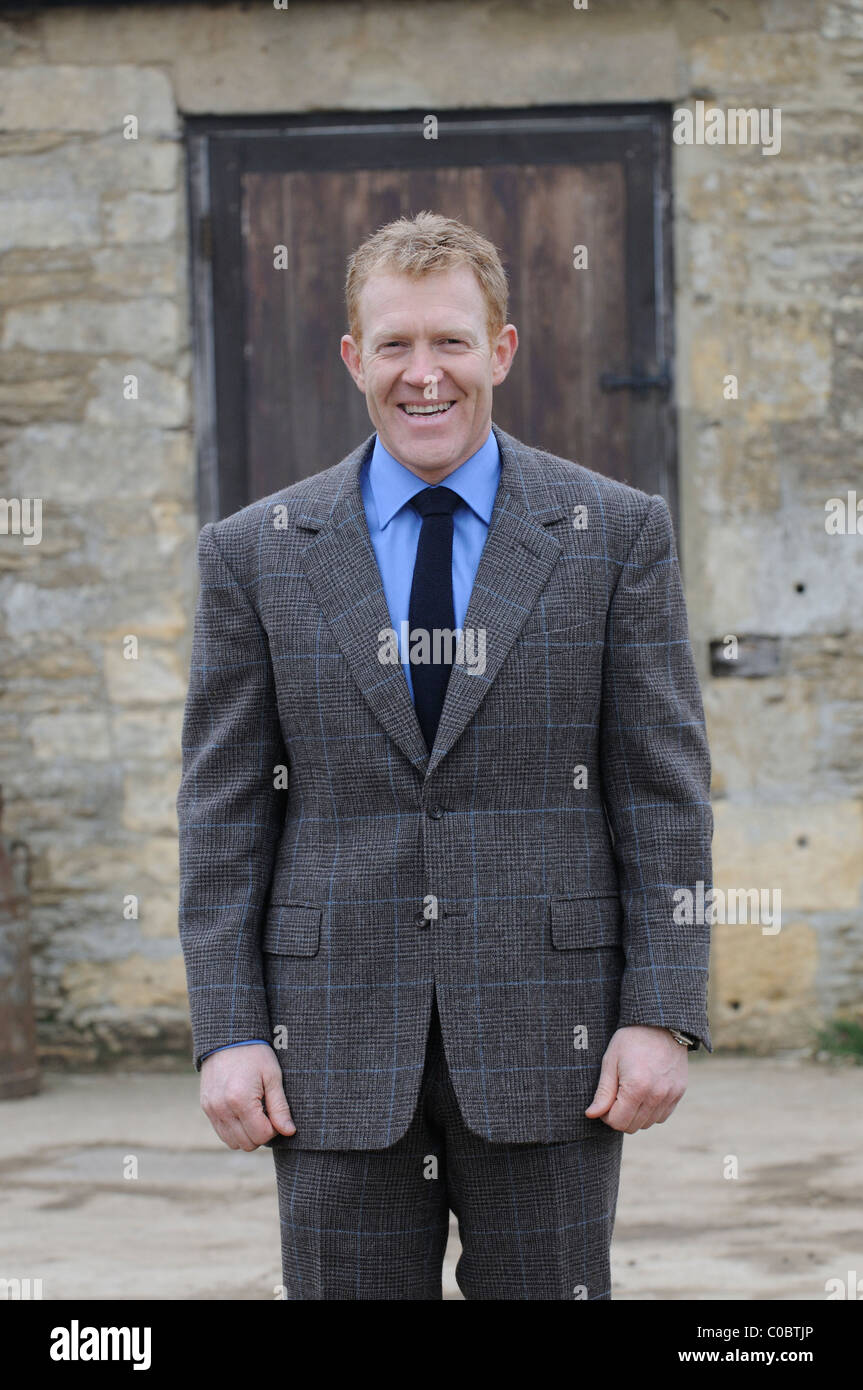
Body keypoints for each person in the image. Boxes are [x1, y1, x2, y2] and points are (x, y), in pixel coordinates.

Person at [176, 211, 713, 1300]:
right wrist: (227, 1029)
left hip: (551, 1037)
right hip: (326, 1044)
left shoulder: (612, 533)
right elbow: (223, 814)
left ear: (501, 349)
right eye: (394, 345)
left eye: (451, 342)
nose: (424, 374)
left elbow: (663, 796)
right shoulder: (253, 555)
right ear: (352, 359)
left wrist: (658, 1011)